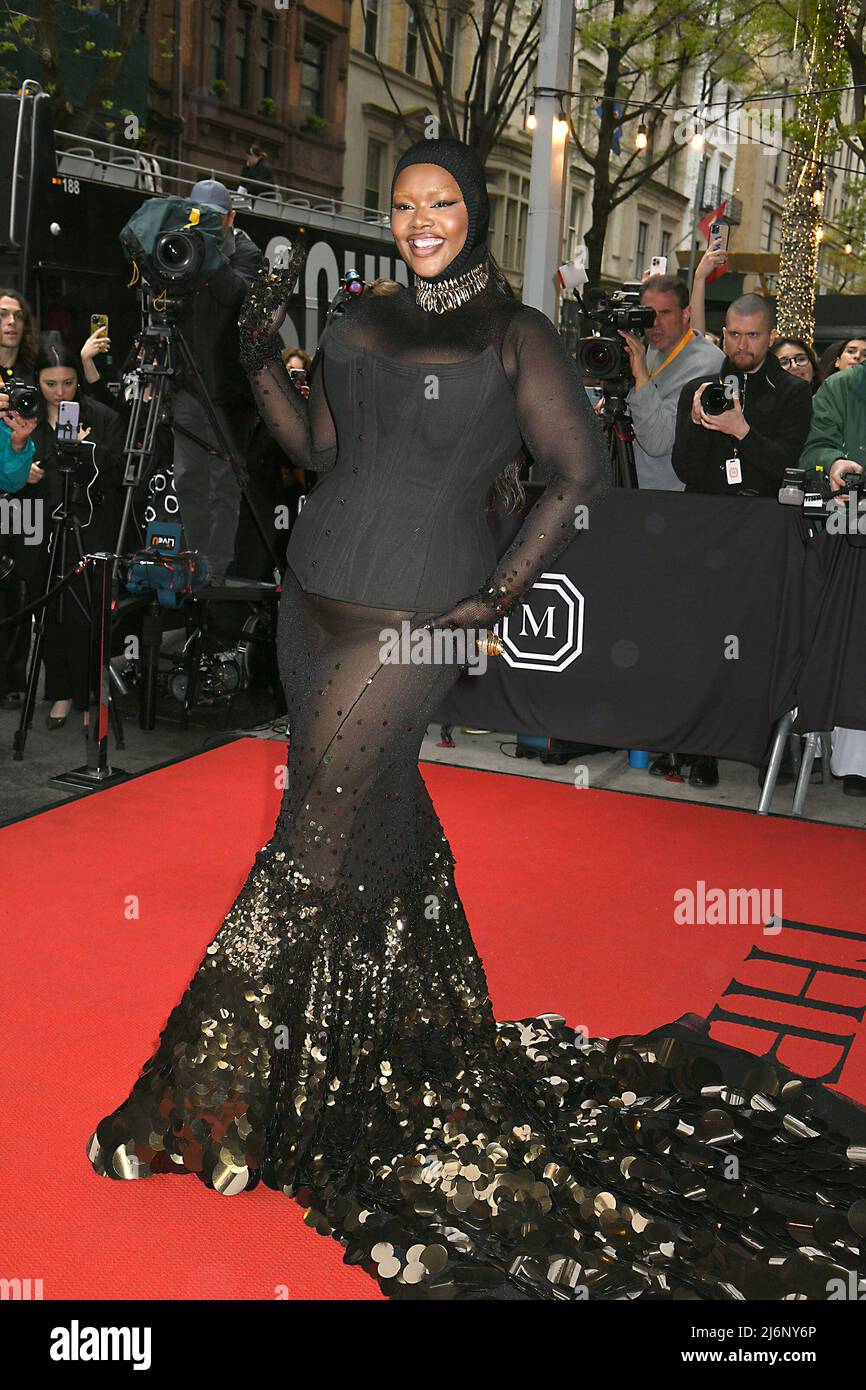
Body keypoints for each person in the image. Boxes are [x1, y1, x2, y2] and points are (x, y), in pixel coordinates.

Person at [86, 138, 866, 1303]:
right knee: (365, 831)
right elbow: (314, 451)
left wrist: (495, 597)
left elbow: (574, 470)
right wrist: (254, 342)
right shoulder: (358, 324)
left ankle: (208, 1098)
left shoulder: (515, 333)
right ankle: (404, 1053)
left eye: (441, 203)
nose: (421, 221)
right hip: (314, 606)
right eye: (403, 204)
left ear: (472, 214)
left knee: (309, 843)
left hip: (420, 618)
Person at [23, 337, 125, 729]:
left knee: (88, 615)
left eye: (67, 383)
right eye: (51, 384)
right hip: (41, 528)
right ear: (38, 383)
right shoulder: (26, 416)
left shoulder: (99, 416)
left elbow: (116, 470)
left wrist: (88, 453)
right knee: (49, 612)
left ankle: (89, 695)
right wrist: (23, 467)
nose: (60, 391)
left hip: (90, 526)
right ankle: (60, 693)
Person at [170, 178, 264, 584]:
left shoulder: (246, 251)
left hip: (229, 392)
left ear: (231, 217)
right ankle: (193, 559)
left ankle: (218, 568)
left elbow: (236, 296)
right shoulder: (184, 245)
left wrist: (210, 251)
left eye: (213, 217)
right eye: (199, 215)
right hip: (189, 385)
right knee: (188, 476)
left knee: (224, 480)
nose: (204, 223)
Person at [800, 358, 866, 796]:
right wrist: (835, 464)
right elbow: (813, 451)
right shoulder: (841, 389)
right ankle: (857, 762)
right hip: (853, 538)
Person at [617, 272, 724, 490]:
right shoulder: (653, 349)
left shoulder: (707, 362)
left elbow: (658, 442)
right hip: (636, 484)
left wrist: (641, 377)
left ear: (686, 314)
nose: (655, 323)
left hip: (669, 496)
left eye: (665, 313)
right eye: (648, 313)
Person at [0, 288, 39, 710]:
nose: (10, 323)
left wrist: (21, 446)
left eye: (17, 316)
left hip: (17, 500)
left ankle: (11, 678)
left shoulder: (34, 371)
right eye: (2, 315)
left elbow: (11, 479)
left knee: (16, 591)